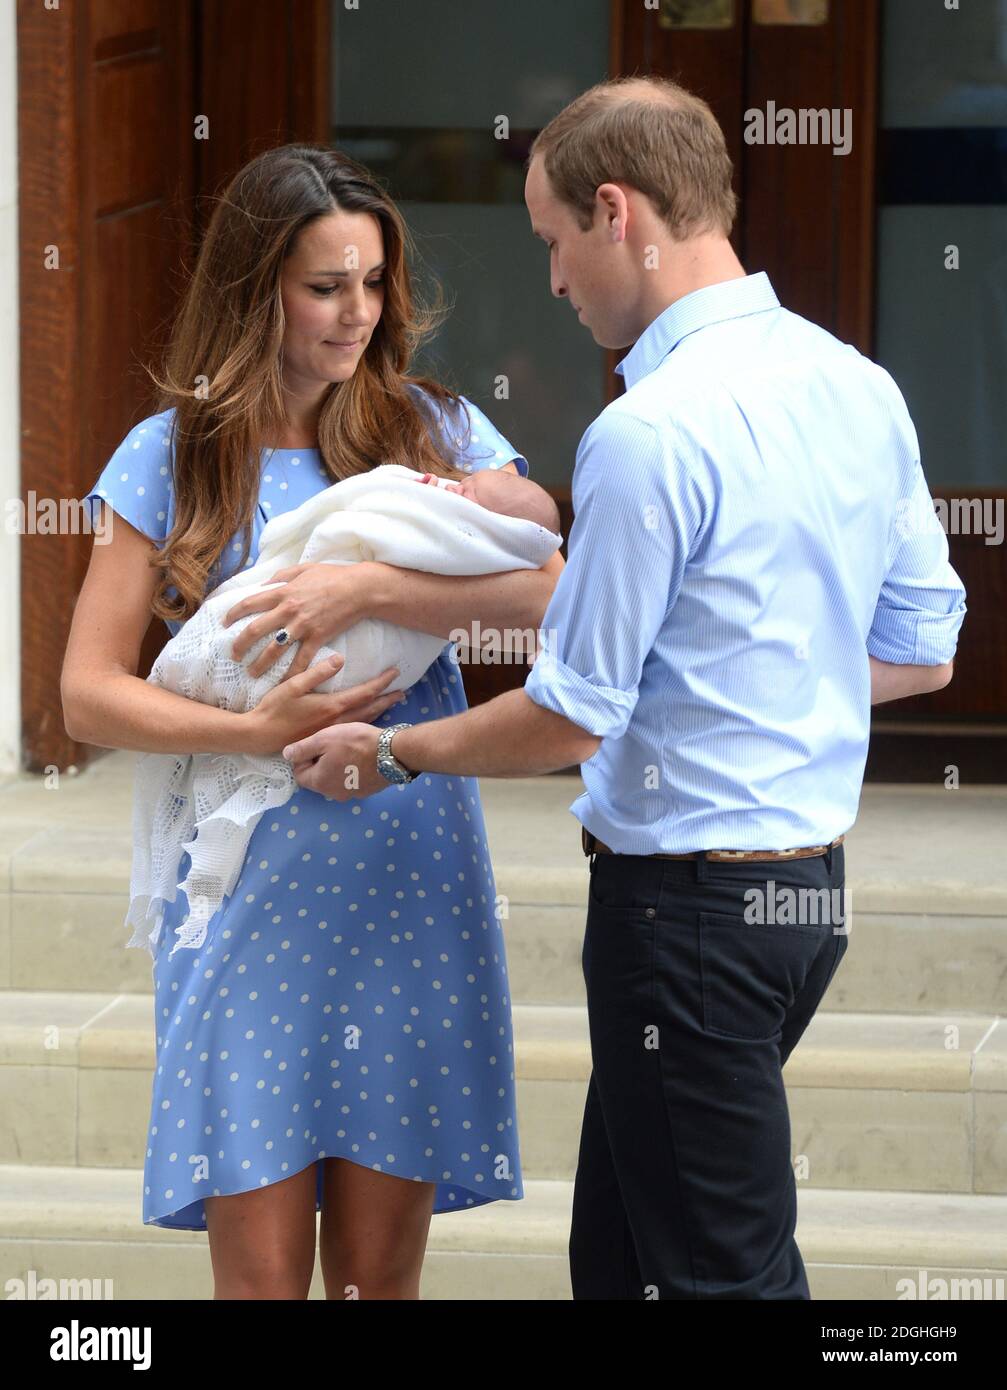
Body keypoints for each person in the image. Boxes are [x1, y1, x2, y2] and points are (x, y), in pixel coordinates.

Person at [282, 77, 967, 1300]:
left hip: (686, 925)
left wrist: (392, 752)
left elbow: (567, 714)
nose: (549, 280)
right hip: (802, 903)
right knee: (624, 1264)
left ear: (617, 212)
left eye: (551, 241)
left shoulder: (647, 432)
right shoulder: (856, 382)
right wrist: (749, 692)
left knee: (720, 1280)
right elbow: (922, 648)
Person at [61, 143, 564, 1300]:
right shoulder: (172, 453)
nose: (356, 313)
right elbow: (86, 691)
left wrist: (377, 590)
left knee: (375, 1291)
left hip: (406, 875)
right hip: (248, 892)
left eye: (373, 282)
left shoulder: (435, 433)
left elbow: (555, 587)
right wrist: (253, 733)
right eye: (324, 285)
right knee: (263, 1290)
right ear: (256, 290)